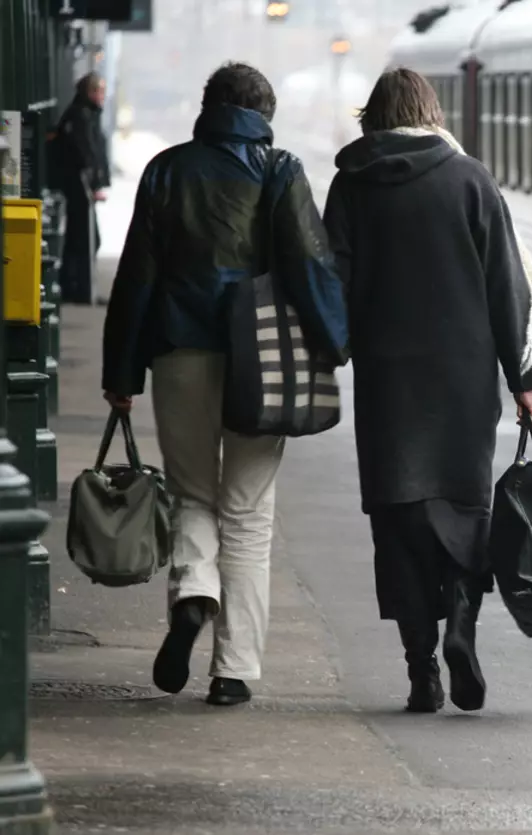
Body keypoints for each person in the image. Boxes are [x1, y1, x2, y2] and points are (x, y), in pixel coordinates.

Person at [323, 68, 532, 713]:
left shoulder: (351, 183)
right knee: (465, 511)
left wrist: (337, 349)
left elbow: (335, 282)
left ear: (372, 118)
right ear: (432, 112)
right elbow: (505, 285)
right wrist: (524, 383)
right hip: (463, 379)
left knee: (400, 519)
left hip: (387, 380)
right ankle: (462, 626)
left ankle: (421, 673)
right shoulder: (471, 179)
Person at [102, 62, 349, 707]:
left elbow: (137, 279)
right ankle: (233, 669)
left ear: (207, 106)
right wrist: (335, 339)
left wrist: (121, 373)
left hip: (181, 354)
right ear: (263, 114)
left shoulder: (165, 169)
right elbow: (308, 262)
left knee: (190, 492)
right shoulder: (279, 169)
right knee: (247, 510)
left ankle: (192, 594)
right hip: (260, 361)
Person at [55, 72, 111, 304]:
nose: (102, 97)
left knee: (80, 238)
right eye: (99, 91)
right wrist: (93, 182)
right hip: (80, 187)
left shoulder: (85, 115)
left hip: (81, 186)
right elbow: (85, 151)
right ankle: (78, 288)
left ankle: (75, 286)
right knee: (86, 239)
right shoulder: (80, 117)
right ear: (89, 92)